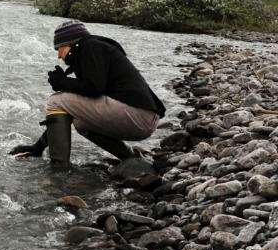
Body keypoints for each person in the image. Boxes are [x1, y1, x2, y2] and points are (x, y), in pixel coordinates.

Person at [10, 20, 166, 169]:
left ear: (70, 43)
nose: (58, 55)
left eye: (58, 48)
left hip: (137, 115)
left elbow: (93, 88)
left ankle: (58, 170)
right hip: (142, 118)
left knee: (55, 100)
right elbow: (82, 99)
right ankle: (130, 157)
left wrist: (63, 82)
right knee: (81, 123)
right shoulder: (94, 50)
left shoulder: (90, 47)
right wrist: (38, 147)